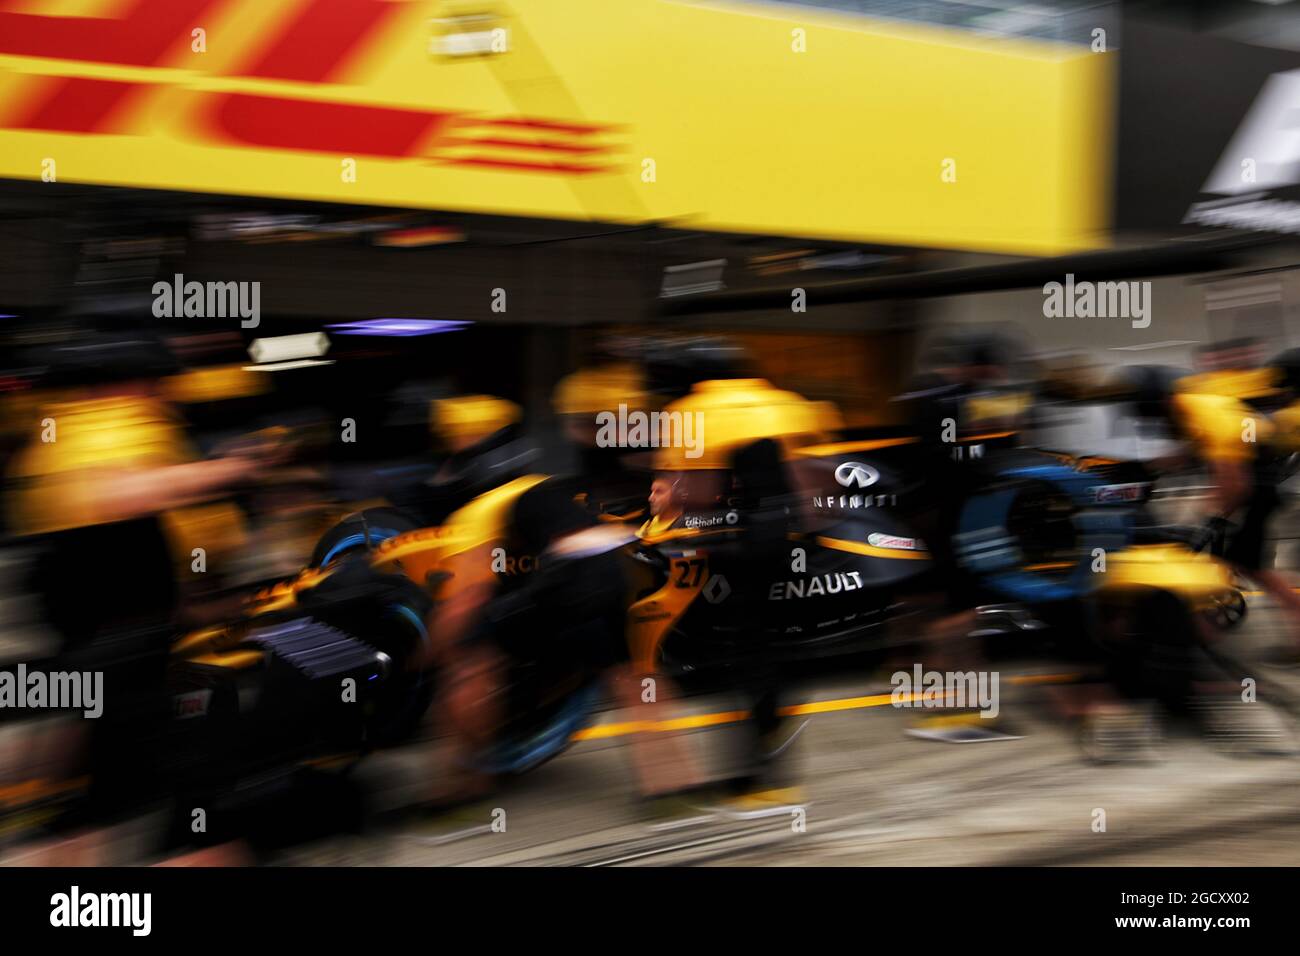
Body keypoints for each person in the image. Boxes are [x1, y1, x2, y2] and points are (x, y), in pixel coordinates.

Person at [2, 330, 283, 864]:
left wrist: (218, 609)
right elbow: (117, 495)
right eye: (155, 383)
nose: (164, 394)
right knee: (205, 813)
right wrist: (230, 470)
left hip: (135, 662)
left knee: (101, 805)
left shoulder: (71, 437)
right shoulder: (94, 433)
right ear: (126, 383)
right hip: (132, 668)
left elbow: (145, 561)